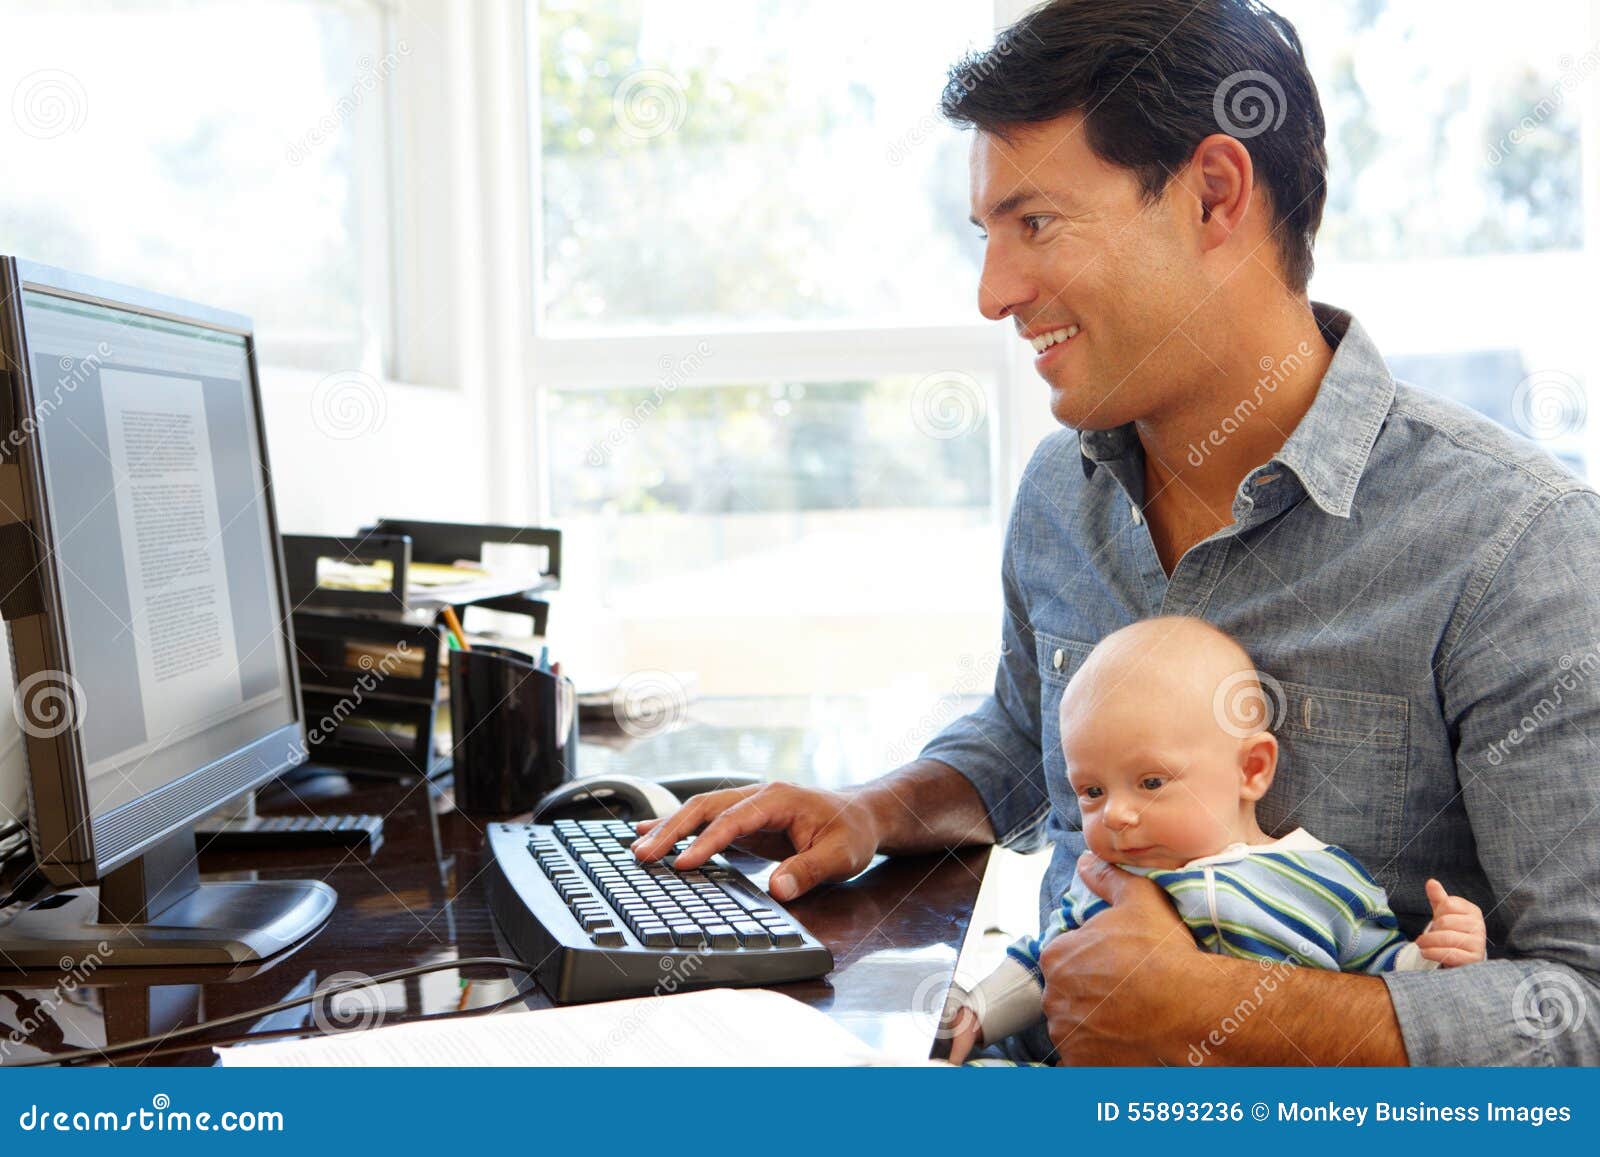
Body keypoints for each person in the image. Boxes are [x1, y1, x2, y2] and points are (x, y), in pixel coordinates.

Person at [633, 0, 1600, 1064]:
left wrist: (1214, 1011)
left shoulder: (1517, 544)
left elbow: (1584, 1007)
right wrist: (871, 809)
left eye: (1035, 223)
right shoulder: (1065, 488)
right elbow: (1021, 732)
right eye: (987, 235)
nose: (995, 292)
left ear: (1213, 195)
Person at [943, 617, 1486, 1064]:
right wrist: (978, 1012)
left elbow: (1386, 974)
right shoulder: (1104, 885)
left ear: (1251, 769)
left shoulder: (1323, 878)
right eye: (1091, 790)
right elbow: (1045, 963)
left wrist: (1441, 953)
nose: (1117, 813)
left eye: (1151, 782)